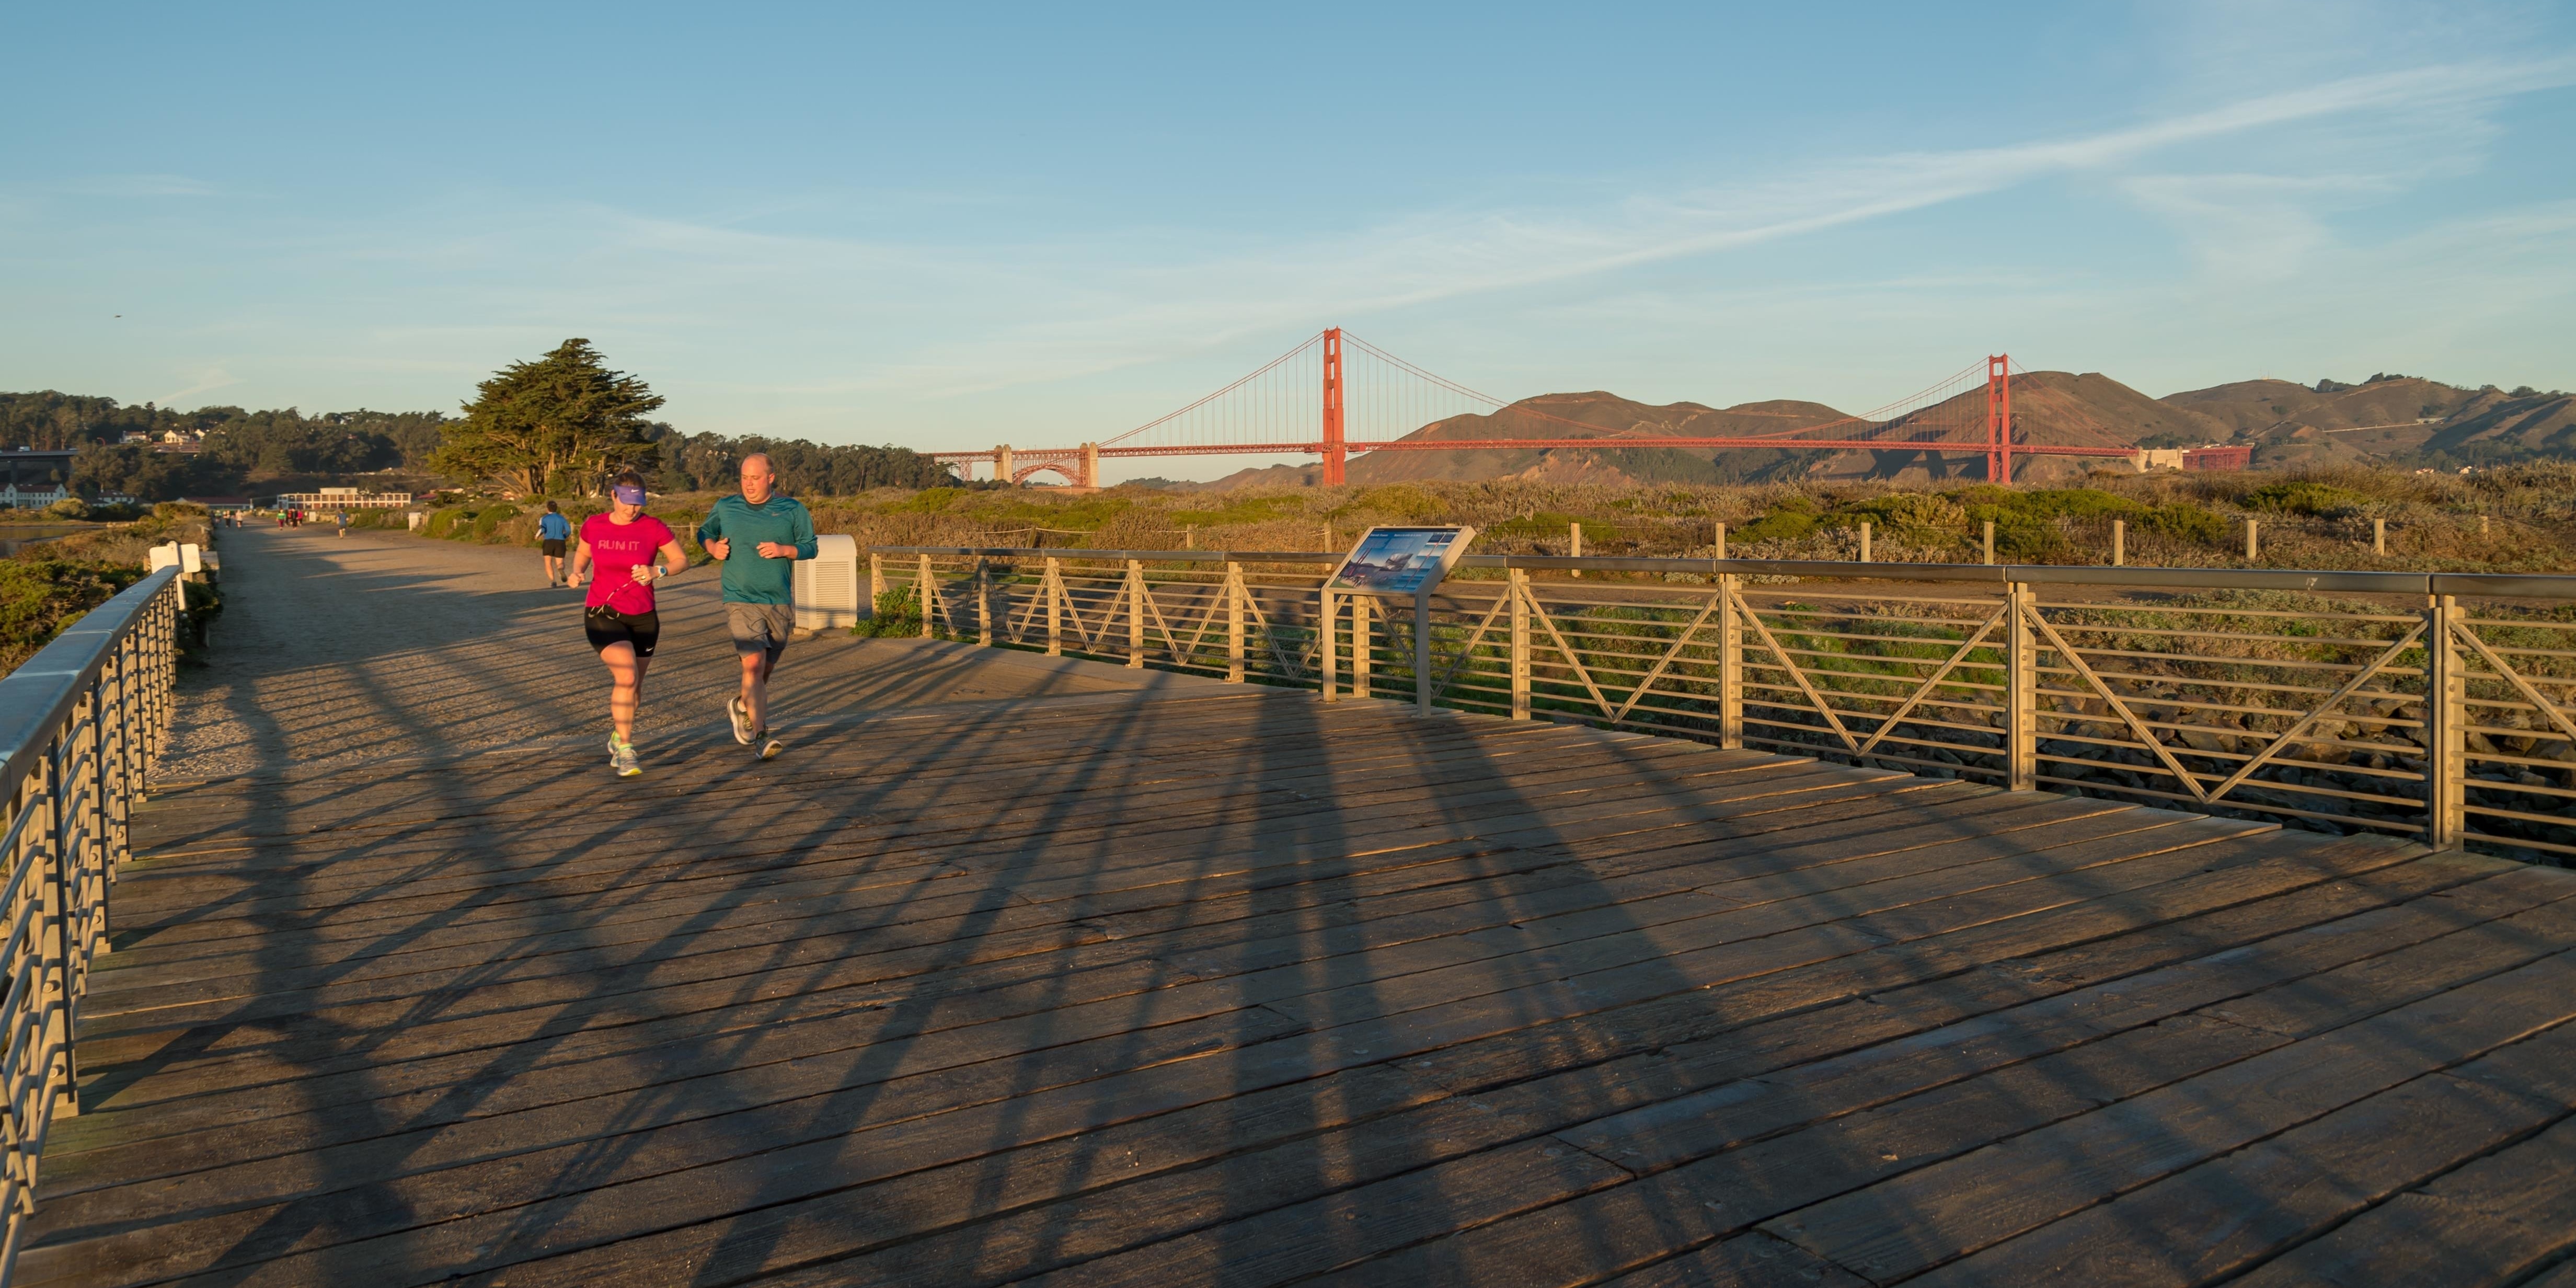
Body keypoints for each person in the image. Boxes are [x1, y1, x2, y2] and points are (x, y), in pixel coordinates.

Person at [696, 453, 814, 762]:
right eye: (744, 478)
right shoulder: (726, 506)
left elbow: (810, 546)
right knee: (753, 665)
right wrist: (713, 547)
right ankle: (762, 736)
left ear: (771, 478)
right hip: (739, 598)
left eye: (756, 478)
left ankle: (742, 706)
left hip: (777, 601)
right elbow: (704, 532)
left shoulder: (792, 509)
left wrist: (784, 550)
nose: (749, 484)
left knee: (764, 671)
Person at [569, 470, 687, 777]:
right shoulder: (594, 525)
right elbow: (583, 553)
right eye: (627, 502)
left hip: (644, 616)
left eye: (638, 503)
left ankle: (617, 734)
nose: (632, 509)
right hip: (602, 612)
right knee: (626, 675)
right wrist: (578, 571)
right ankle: (626, 749)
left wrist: (657, 570)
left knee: (635, 686)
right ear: (613, 496)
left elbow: (680, 561)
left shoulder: (653, 527)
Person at [537, 501, 572, 586]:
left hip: (549, 541)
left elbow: (542, 529)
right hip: (560, 541)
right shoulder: (562, 518)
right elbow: (568, 530)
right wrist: (564, 537)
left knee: (548, 562)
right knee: (560, 562)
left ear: (547, 508)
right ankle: (561, 570)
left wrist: (537, 535)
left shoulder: (544, 519)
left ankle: (553, 581)